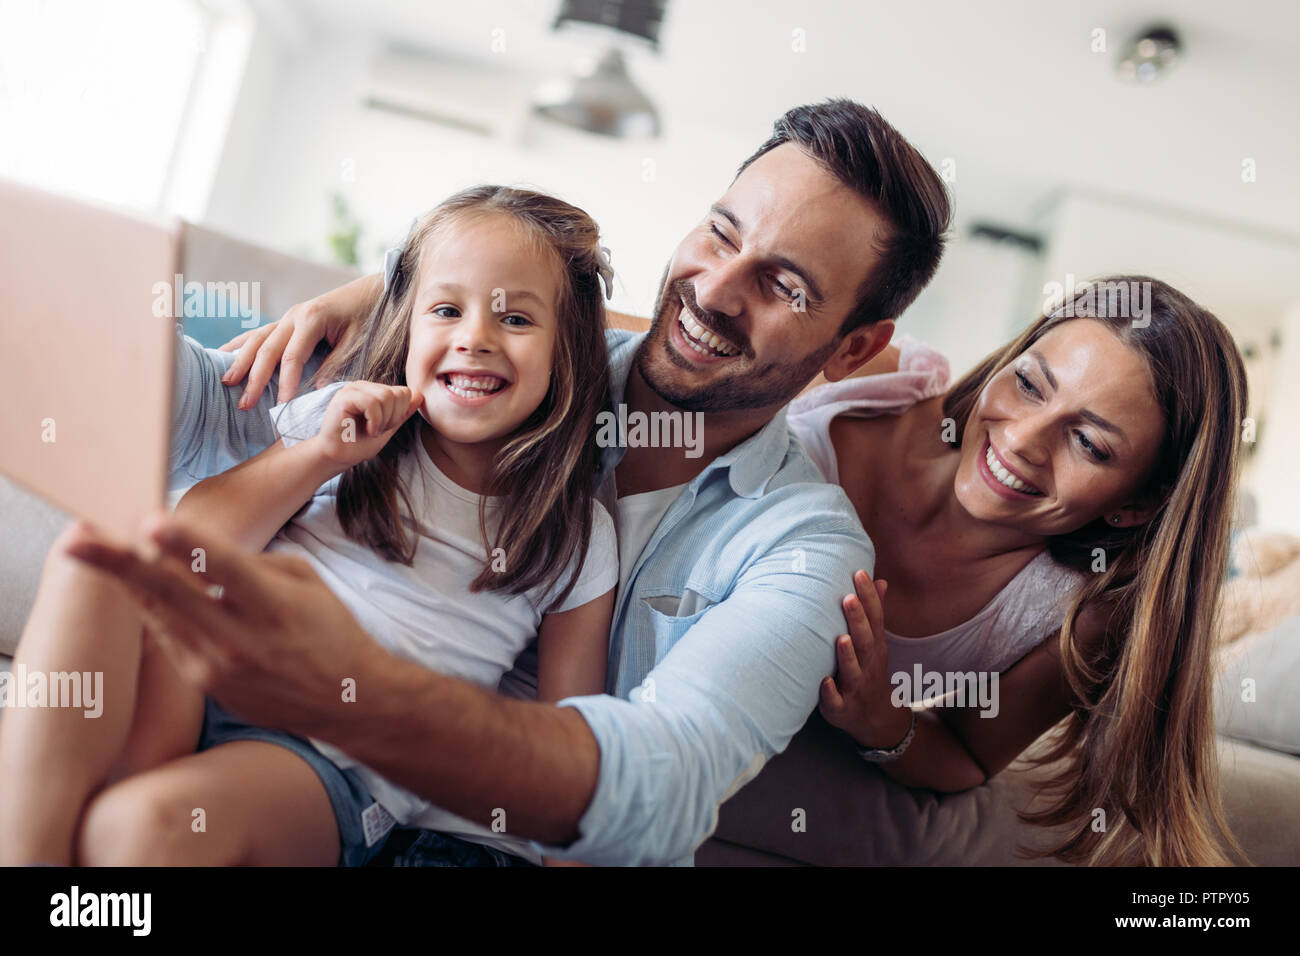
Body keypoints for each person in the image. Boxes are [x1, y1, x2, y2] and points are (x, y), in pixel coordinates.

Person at [38, 99, 955, 866]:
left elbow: (666, 779)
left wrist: (351, 687)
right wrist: (393, 292)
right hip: (218, 718)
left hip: (423, 822)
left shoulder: (805, 550)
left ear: (854, 349)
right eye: (720, 233)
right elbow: (199, 414)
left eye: (785, 287)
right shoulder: (477, 360)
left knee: (145, 833)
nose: (716, 290)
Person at [0, 186, 618, 866]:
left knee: (137, 829)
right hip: (202, 671)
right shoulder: (336, 418)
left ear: (569, 352)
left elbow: (565, 751)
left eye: (517, 320)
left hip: (326, 763)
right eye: (446, 310)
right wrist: (320, 454)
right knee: (90, 557)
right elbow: (190, 543)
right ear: (405, 326)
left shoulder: (576, 532)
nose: (474, 337)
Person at [783, 277, 1250, 865]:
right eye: (1030, 384)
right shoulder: (877, 376)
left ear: (1137, 503)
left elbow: (969, 755)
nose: (1023, 439)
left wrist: (881, 719)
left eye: (1088, 443)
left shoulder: (1074, 612)